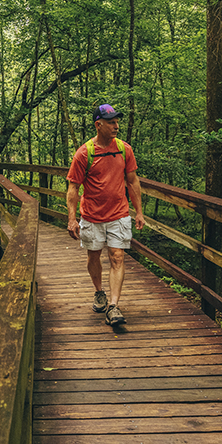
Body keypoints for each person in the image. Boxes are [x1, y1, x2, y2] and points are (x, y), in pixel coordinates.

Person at [66, 104, 145, 326]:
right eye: (111, 122)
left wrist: (139, 212)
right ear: (98, 125)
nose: (116, 126)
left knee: (117, 256)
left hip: (119, 213)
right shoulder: (84, 153)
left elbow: (133, 181)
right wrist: (72, 218)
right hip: (92, 216)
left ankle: (113, 305)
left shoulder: (124, 149)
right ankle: (99, 291)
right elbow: (73, 188)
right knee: (93, 257)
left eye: (117, 122)